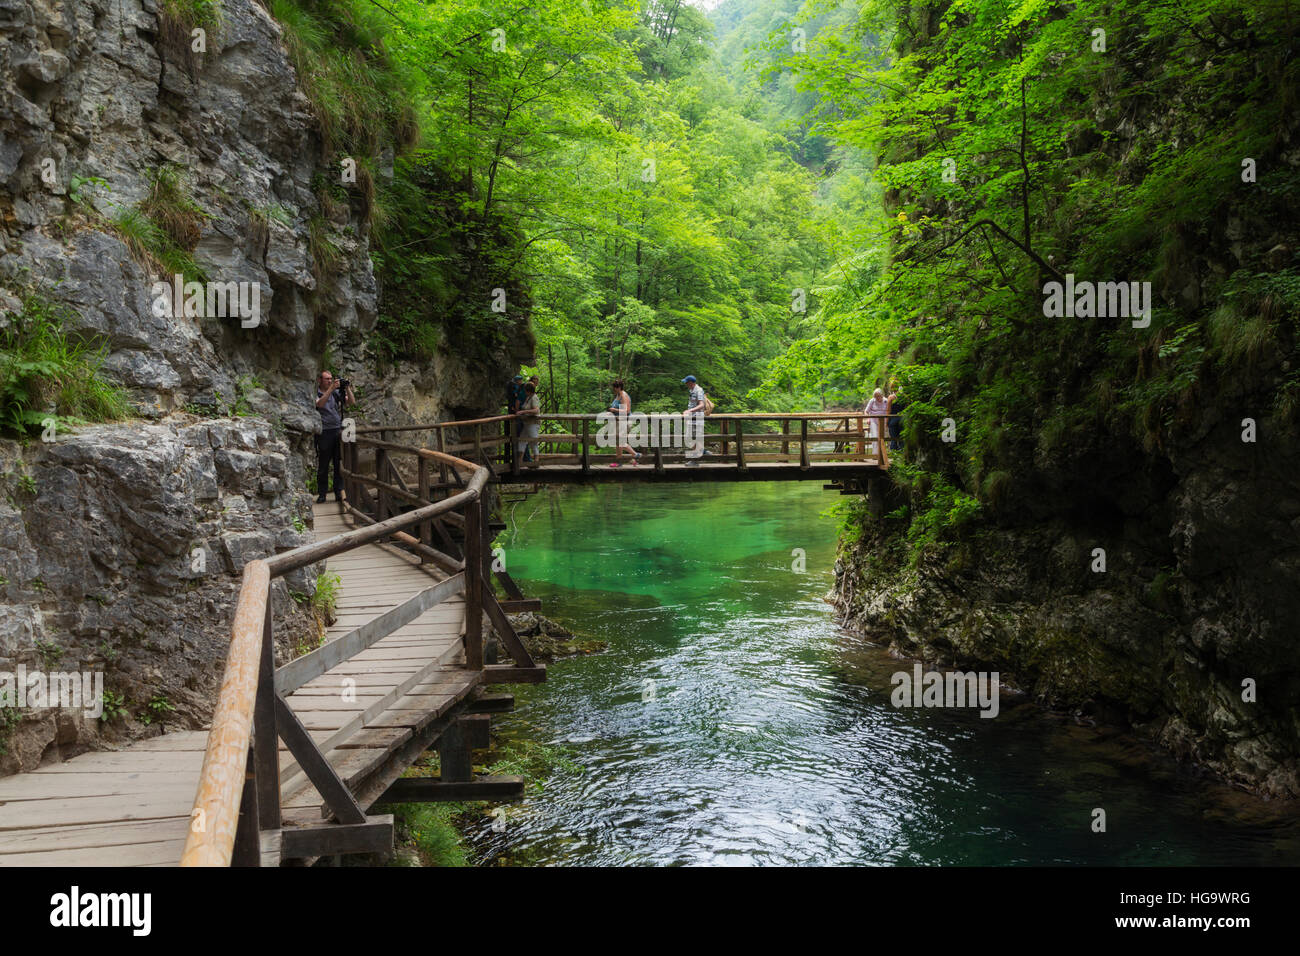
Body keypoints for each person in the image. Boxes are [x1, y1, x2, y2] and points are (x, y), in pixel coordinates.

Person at [314, 370, 354, 503]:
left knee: (338, 463)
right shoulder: (316, 393)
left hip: (337, 430)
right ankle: (322, 494)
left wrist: (347, 388)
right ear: (320, 380)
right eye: (327, 379)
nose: (330, 381)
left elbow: (351, 402)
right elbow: (319, 404)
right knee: (324, 465)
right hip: (324, 432)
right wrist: (331, 389)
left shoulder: (336, 393)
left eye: (331, 379)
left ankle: (338, 492)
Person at [607, 379, 640, 468]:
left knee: (619, 442)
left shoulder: (623, 395)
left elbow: (627, 410)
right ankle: (635, 455)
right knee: (618, 441)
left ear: (619, 387)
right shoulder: (618, 395)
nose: (614, 389)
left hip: (625, 421)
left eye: (615, 388)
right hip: (619, 421)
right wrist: (611, 412)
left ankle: (619, 462)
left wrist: (614, 410)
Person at [682, 374, 708, 465]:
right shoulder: (691, 390)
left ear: (691, 382)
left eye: (686, 382)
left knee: (694, 438)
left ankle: (695, 461)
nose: (685, 384)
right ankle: (702, 450)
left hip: (697, 418)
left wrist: (689, 410)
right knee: (689, 438)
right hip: (692, 418)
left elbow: (702, 405)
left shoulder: (699, 390)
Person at [517, 382, 541, 466]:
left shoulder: (534, 398)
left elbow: (536, 410)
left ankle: (536, 462)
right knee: (522, 441)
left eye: (525, 390)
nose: (524, 392)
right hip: (527, 424)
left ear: (528, 390)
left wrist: (523, 412)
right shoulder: (528, 398)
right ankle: (519, 462)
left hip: (533, 424)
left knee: (533, 442)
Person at [887, 383, 908, 451]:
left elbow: (888, 410)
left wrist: (887, 421)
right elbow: (907, 408)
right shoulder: (905, 396)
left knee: (893, 437)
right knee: (902, 436)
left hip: (893, 418)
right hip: (902, 419)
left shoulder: (891, 397)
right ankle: (902, 451)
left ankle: (893, 451)